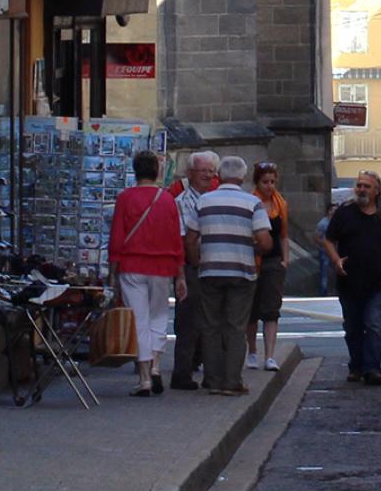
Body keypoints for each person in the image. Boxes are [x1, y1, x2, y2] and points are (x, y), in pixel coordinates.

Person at [181, 156, 271, 396]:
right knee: (235, 326)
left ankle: (212, 379)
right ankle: (232, 381)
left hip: (210, 270)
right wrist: (256, 251)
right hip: (241, 271)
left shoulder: (203, 202)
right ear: (242, 177)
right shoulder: (252, 203)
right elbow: (264, 240)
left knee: (210, 326)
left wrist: (196, 261)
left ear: (219, 176)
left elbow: (190, 239)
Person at [324, 171, 381, 385]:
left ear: (376, 191)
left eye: (366, 186)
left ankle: (372, 369)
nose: (361, 189)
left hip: (378, 284)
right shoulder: (345, 212)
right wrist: (336, 260)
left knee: (375, 325)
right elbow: (328, 240)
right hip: (349, 282)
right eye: (359, 185)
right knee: (353, 327)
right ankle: (356, 366)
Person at [107, 150, 187, 397]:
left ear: (135, 171)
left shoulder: (125, 198)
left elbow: (117, 237)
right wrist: (180, 274)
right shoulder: (167, 200)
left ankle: (144, 379)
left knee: (139, 321)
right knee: (159, 318)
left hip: (132, 265)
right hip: (162, 266)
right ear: (157, 171)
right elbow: (177, 239)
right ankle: (155, 366)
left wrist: (113, 271)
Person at [169, 151, 220, 389]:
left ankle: (204, 366)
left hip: (214, 266)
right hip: (191, 266)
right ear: (190, 174)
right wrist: (186, 272)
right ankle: (182, 373)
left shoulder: (216, 198)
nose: (208, 175)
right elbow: (181, 239)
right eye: (203, 171)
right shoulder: (181, 203)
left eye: (211, 171)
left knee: (210, 321)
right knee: (188, 321)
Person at [246, 160, 290, 372]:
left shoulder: (280, 204)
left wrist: (285, 260)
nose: (270, 186)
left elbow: (283, 235)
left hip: (273, 261)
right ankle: (252, 352)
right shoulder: (251, 202)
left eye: (273, 181)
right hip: (253, 260)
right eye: (265, 182)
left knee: (272, 310)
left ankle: (270, 356)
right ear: (257, 183)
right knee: (252, 310)